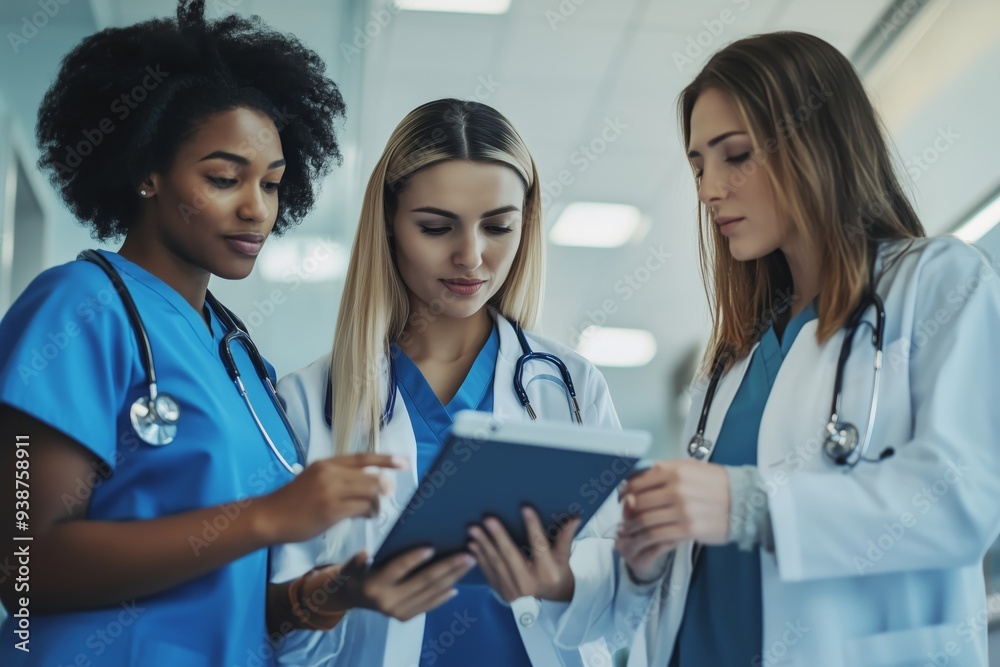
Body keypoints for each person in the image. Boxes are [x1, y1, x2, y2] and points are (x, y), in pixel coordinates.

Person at [550, 31, 1000, 666]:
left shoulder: (938, 282)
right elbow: (700, 568)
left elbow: (961, 501)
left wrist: (747, 503)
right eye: (698, 166)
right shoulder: (732, 361)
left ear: (817, 144)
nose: (708, 190)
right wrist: (634, 553)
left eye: (735, 156)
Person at [0, 2, 412, 665]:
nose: (257, 208)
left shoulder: (242, 360)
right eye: (224, 178)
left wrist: (328, 593)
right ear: (146, 171)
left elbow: (229, 596)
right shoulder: (78, 307)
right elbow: (25, 567)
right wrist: (268, 516)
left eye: (272, 185)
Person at [269, 98, 623, 667]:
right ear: (388, 222)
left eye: (498, 226)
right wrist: (343, 591)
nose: (471, 257)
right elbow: (280, 633)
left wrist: (563, 580)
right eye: (436, 227)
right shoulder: (308, 402)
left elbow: (622, 595)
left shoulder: (571, 387)